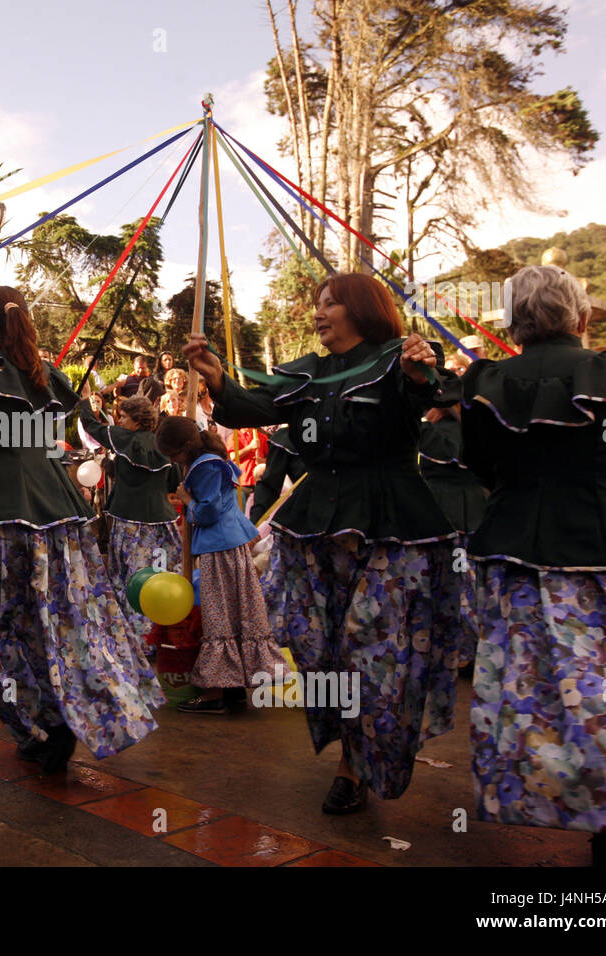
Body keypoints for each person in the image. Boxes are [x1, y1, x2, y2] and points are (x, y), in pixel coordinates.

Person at [185, 272, 463, 815]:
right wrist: (219, 380)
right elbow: (255, 408)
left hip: (389, 529)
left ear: (360, 308)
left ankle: (361, 759)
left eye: (330, 303)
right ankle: (351, 752)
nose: (318, 312)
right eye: (317, 303)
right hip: (315, 530)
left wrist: (418, 370)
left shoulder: (396, 357)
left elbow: (432, 390)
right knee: (320, 651)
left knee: (373, 648)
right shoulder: (306, 374)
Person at [461, 265, 606, 866]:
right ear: (580, 318)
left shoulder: (486, 385)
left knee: (540, 699)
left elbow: (485, 467)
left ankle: (589, 815)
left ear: (513, 322)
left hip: (523, 561)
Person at [0, 283, 161, 775]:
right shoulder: (44, 374)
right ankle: (82, 714)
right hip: (57, 511)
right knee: (64, 620)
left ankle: (43, 723)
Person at [155, 415, 288, 712]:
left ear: (187, 446)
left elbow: (209, 512)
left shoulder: (205, 468)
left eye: (174, 454)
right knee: (234, 612)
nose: (174, 460)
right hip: (228, 546)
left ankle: (216, 692)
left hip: (219, 549)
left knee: (219, 617)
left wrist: (187, 500)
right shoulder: (211, 463)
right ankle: (233, 686)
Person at [77, 394, 181, 642]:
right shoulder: (162, 444)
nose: (118, 420)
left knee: (133, 581)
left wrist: (82, 402)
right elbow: (174, 483)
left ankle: (136, 639)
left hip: (132, 525)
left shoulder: (125, 439)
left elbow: (92, 426)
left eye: (123, 416)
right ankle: (160, 634)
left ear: (137, 421)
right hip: (162, 522)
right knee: (160, 578)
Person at [418, 404, 487, 665]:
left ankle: (464, 651)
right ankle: (461, 651)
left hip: (452, 520)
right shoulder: (471, 428)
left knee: (457, 586)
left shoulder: (442, 431)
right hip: (462, 518)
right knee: (461, 585)